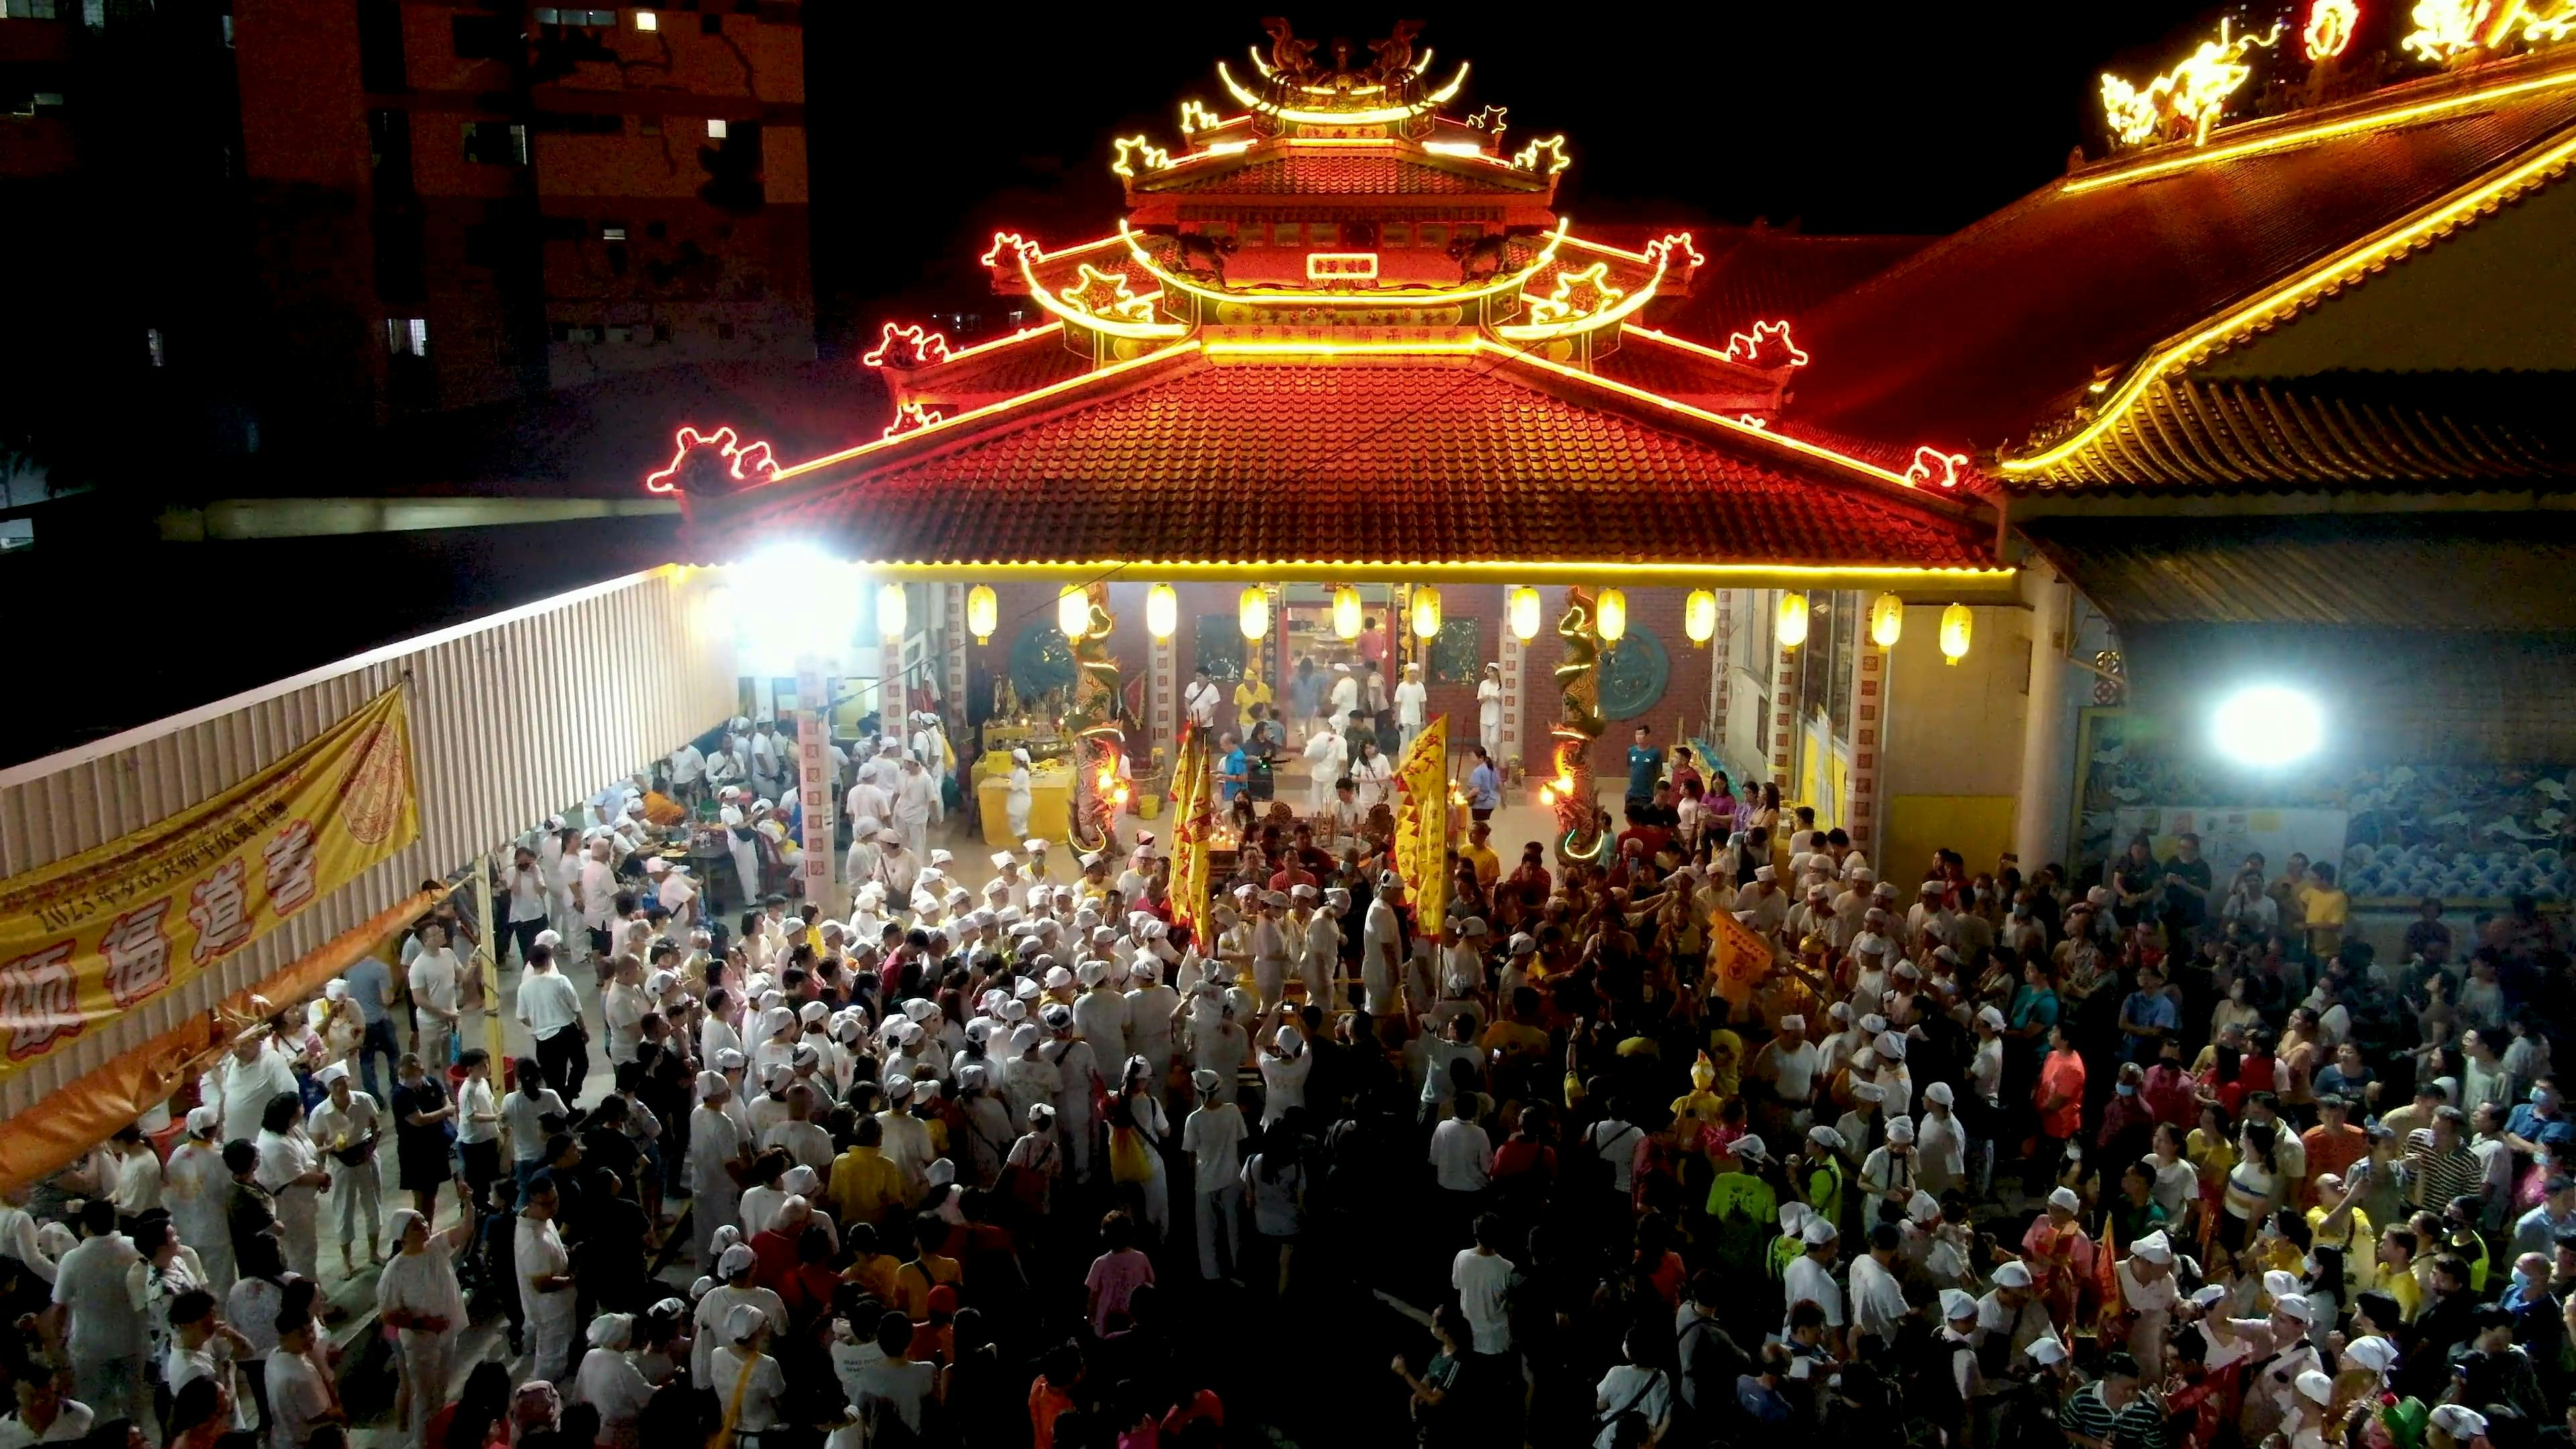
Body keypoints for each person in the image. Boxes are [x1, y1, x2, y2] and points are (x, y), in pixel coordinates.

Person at [377, 1208, 469, 1446]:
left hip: (446, 1335)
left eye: (423, 1221)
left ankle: (437, 1435)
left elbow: (465, 1230)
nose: (425, 1225)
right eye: (416, 1224)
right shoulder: (395, 1271)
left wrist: (468, 1201)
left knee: (440, 1391)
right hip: (421, 1343)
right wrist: (425, 1324)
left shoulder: (436, 1247)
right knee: (424, 1398)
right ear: (403, 1235)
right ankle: (423, 1441)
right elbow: (389, 1314)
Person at [306, 1063, 383, 1274]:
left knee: (373, 1204)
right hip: (340, 1162)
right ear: (329, 1089)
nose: (341, 1089)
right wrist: (333, 1147)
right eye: (335, 1086)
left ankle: (374, 1252)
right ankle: (347, 1261)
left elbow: (376, 1127)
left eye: (343, 1084)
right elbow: (317, 1148)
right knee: (344, 1209)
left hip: (366, 1155)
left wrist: (371, 1148)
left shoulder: (363, 1100)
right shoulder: (320, 1113)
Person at [1183, 1069, 1247, 1282]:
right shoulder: (1233, 1111)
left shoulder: (1194, 1120)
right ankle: (1239, 1270)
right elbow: (1240, 1144)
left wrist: (1193, 1181)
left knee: (1206, 1232)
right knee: (1235, 1230)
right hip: (1231, 1177)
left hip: (1205, 1181)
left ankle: (1211, 1275)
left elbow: (1191, 1155)